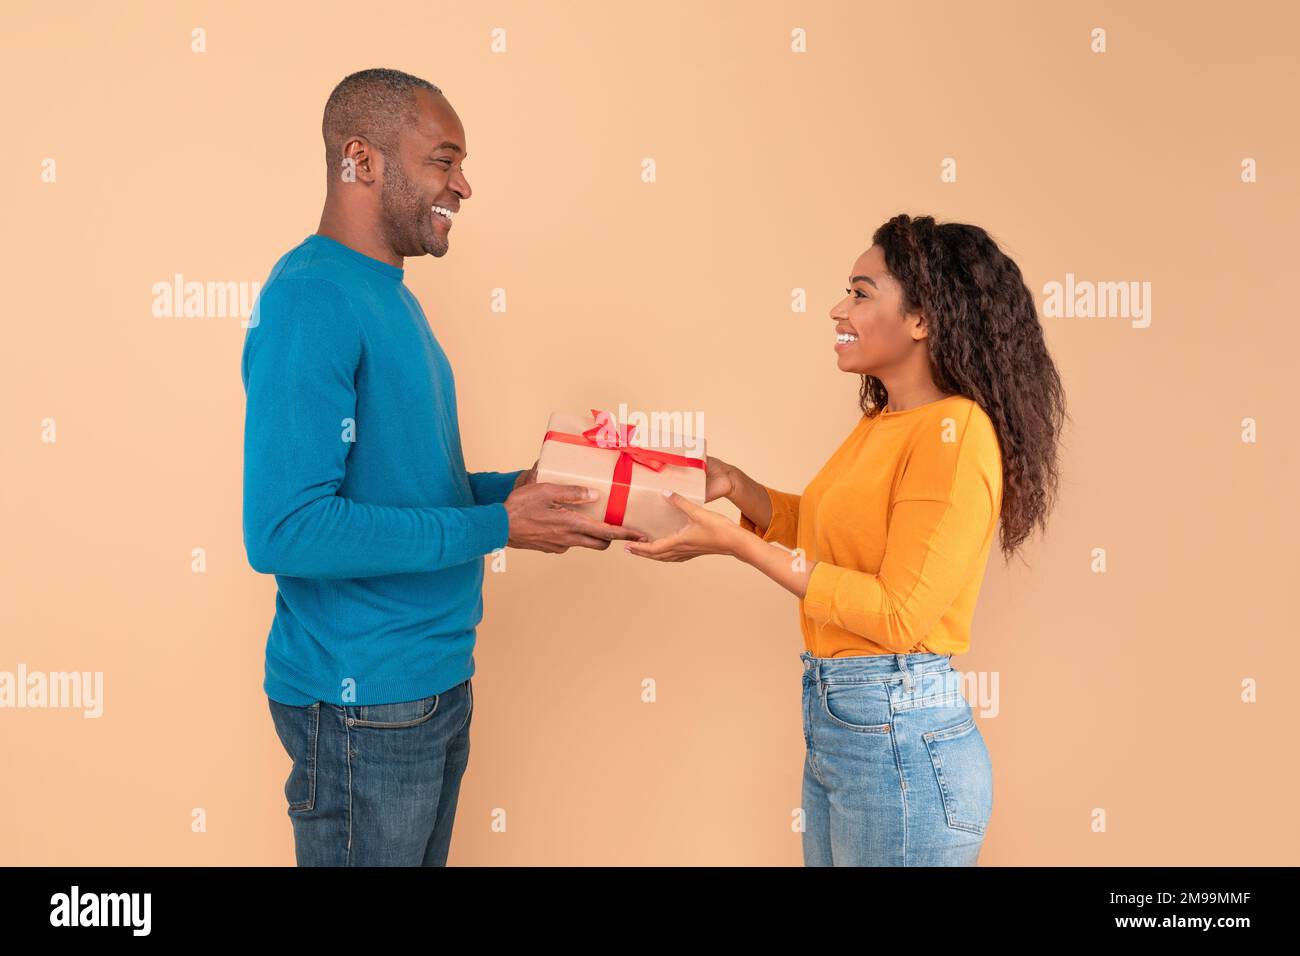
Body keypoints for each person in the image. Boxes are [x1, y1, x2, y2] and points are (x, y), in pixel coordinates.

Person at [241, 68, 645, 866]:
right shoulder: (312, 298)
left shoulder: (391, 294)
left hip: (429, 686)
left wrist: (520, 494)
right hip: (362, 703)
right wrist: (496, 524)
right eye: (443, 160)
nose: (464, 184)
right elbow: (286, 531)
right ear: (362, 159)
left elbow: (407, 485)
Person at [626, 214, 1067, 866]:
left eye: (861, 293)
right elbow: (830, 535)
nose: (839, 308)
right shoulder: (886, 419)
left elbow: (898, 612)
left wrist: (739, 546)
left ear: (922, 317)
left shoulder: (956, 434)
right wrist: (736, 485)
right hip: (849, 725)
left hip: (899, 735)